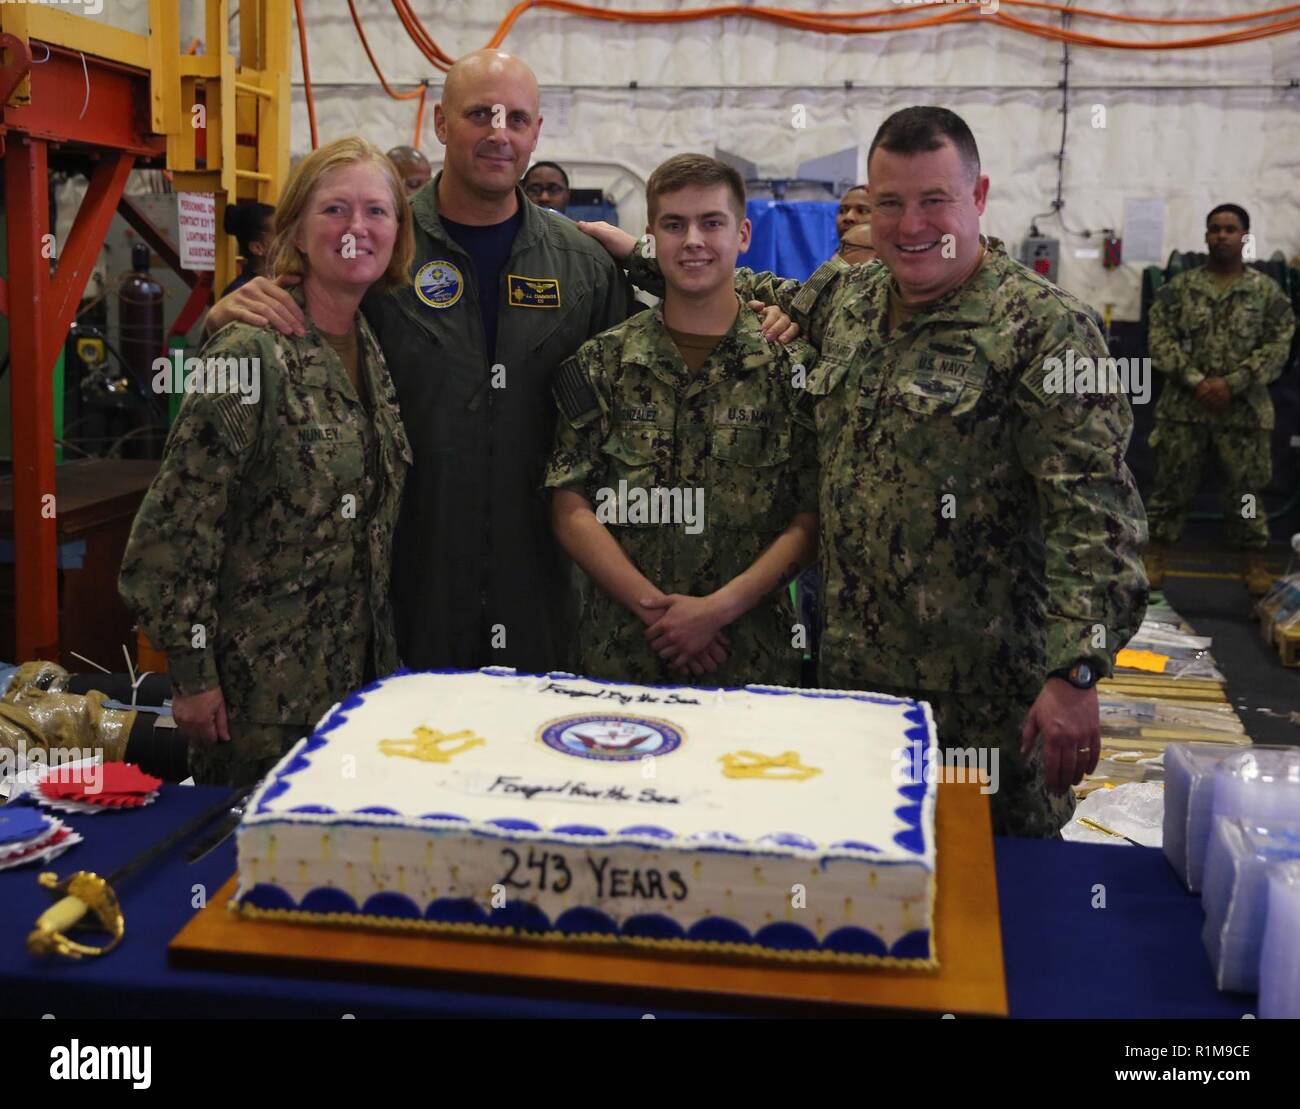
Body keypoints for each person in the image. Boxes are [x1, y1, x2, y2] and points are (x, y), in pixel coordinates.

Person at [585, 106, 1149, 837]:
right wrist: (639, 251)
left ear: (977, 199)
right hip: (854, 681)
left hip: (983, 699)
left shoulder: (1045, 330)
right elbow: (752, 288)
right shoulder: (850, 299)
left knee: (995, 899)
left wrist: (1075, 673)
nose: (911, 224)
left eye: (934, 201)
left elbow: (1096, 514)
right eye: (889, 203)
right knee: (867, 874)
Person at [205, 51, 794, 676]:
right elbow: (299, 324)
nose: (498, 133)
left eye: (516, 118)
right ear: (439, 123)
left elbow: (652, 395)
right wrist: (222, 317)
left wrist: (776, 312)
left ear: (536, 132)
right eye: (479, 114)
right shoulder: (384, 248)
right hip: (402, 582)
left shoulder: (582, 266)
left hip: (546, 582)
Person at [119, 137, 414, 786]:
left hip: (356, 690)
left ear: (399, 230)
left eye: (377, 211)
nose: (357, 228)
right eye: (335, 209)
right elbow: (172, 534)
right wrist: (192, 678)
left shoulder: (369, 346)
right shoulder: (250, 350)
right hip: (259, 704)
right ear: (296, 232)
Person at [546, 154, 818, 686]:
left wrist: (715, 611)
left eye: (711, 222)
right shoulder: (604, 361)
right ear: (650, 238)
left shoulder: (792, 370)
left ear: (742, 234)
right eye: (674, 225)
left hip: (751, 660)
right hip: (621, 657)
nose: (693, 239)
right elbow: (569, 503)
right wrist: (656, 612)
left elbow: (811, 519)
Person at [1145, 204, 1296, 596]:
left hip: (1243, 412)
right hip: (1184, 411)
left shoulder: (1267, 293)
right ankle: (1156, 554)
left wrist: (1234, 382)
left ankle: (1253, 560)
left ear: (1245, 236)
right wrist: (1196, 381)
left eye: (1231, 229)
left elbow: (1280, 344)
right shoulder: (1179, 289)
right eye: (1215, 229)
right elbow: (1159, 337)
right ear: (1206, 236)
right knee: (1170, 490)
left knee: (1246, 494)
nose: (1222, 236)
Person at [220, 202, 274, 297]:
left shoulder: (290, 283)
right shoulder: (240, 294)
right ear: (257, 247)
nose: (290, 238)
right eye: (282, 234)